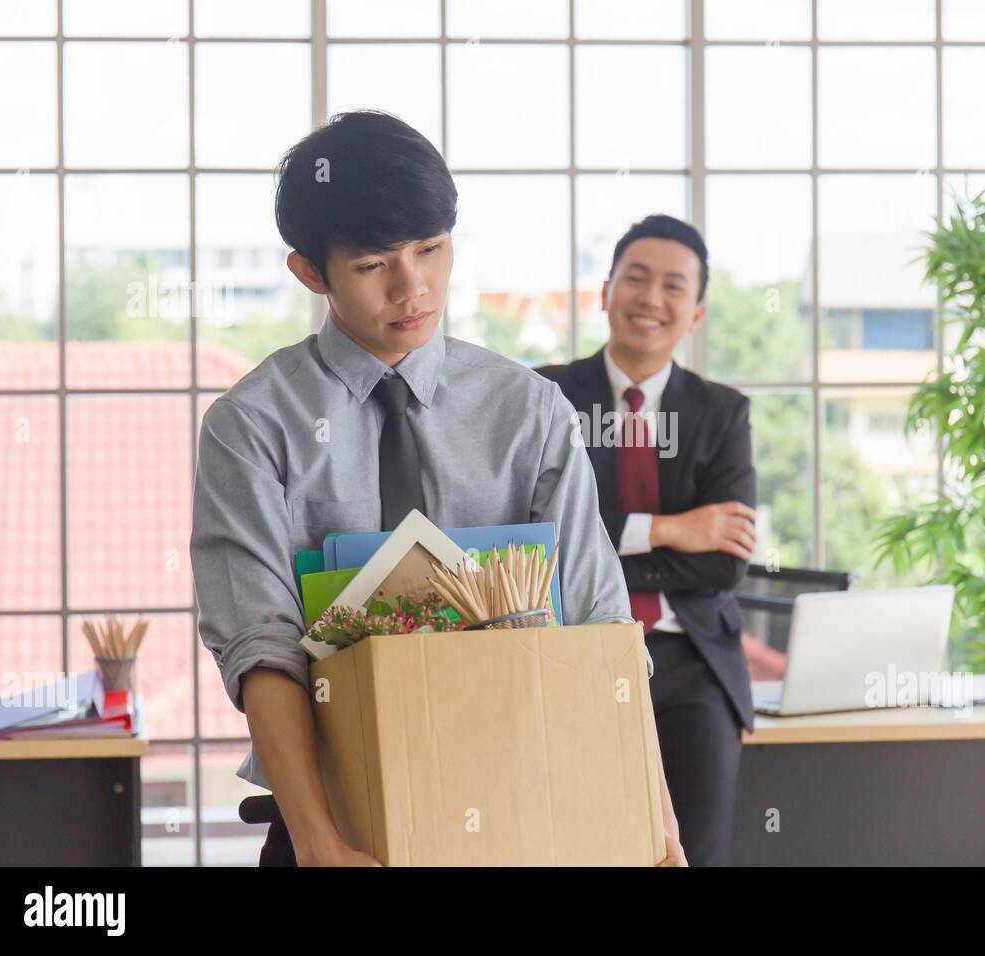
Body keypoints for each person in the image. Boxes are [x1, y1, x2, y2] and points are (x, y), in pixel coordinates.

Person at [190, 112, 685, 867]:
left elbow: (602, 628)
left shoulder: (529, 413)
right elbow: (263, 652)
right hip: (334, 817)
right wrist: (321, 845)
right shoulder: (251, 427)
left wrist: (657, 827)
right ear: (310, 272)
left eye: (431, 250)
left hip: (529, 800)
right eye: (372, 265)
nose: (412, 287)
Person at [537, 214, 757, 866]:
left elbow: (721, 566)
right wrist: (667, 530)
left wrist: (603, 545)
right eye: (635, 278)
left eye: (672, 286)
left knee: (692, 852)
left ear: (695, 314)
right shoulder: (546, 396)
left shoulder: (722, 413)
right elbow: (540, 539)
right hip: (573, 652)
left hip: (689, 662)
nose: (651, 299)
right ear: (605, 291)